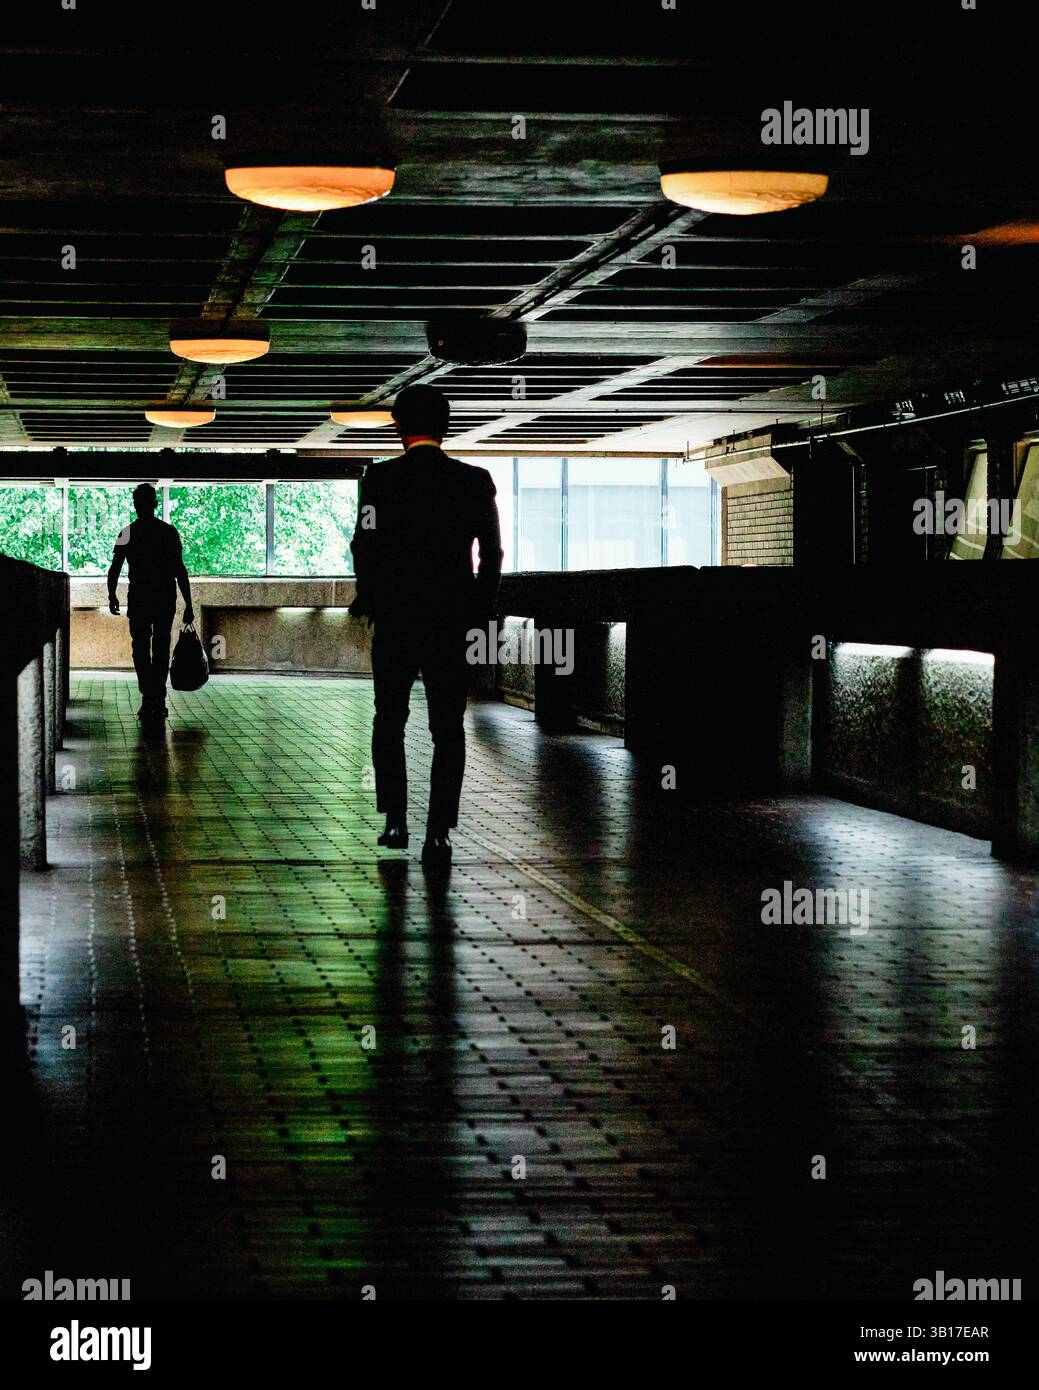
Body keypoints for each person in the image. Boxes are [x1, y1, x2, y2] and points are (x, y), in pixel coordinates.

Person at [350, 384, 503, 866]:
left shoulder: (378, 481)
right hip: (450, 622)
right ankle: (439, 832)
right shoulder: (475, 481)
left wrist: (372, 597)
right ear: (446, 426)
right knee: (447, 728)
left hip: (396, 619)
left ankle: (395, 820)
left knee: (389, 720)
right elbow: (492, 554)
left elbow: (364, 542)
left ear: (398, 426)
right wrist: (477, 609)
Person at [107, 483, 194, 722]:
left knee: (141, 649)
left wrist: (112, 594)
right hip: (164, 598)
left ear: (136, 505)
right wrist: (189, 603)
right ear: (155, 503)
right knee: (161, 647)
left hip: (139, 598)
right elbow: (180, 570)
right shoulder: (168, 532)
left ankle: (148, 696)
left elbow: (115, 568)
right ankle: (159, 696)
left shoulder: (127, 532)